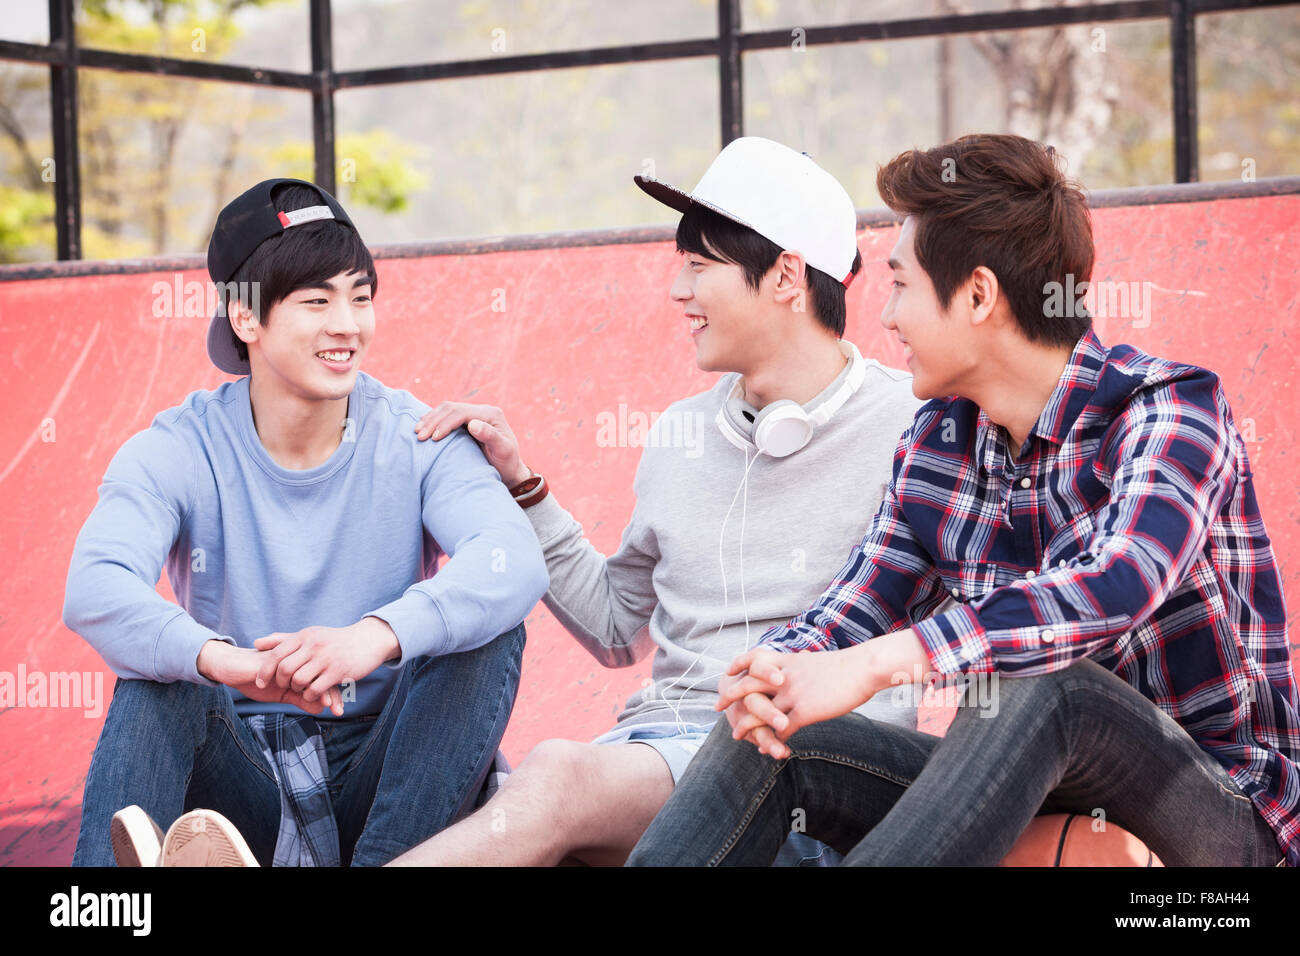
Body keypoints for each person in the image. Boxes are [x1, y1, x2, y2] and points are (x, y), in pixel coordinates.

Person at [627, 133, 1300, 867]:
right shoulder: (937, 443)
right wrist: (778, 674)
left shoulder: (1166, 411)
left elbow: (1114, 585)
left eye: (901, 286)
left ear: (978, 294)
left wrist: (883, 665)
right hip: (1025, 788)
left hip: (1221, 819)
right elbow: (854, 608)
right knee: (773, 738)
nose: (885, 318)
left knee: (1048, 686)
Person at [387, 137, 924, 866]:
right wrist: (522, 486)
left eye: (700, 268)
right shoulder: (680, 433)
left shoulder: (915, 429)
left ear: (786, 277)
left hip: (814, 771)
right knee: (541, 804)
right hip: (660, 751)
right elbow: (618, 628)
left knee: (553, 780)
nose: (678, 292)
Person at [64, 178, 548, 867]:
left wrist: (374, 636)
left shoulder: (418, 436)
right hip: (238, 775)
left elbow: (512, 559)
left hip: (383, 776)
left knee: (486, 630)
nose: (348, 325)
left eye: (360, 297)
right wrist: (224, 660)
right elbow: (94, 587)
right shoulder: (179, 446)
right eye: (317, 301)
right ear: (246, 318)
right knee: (156, 675)